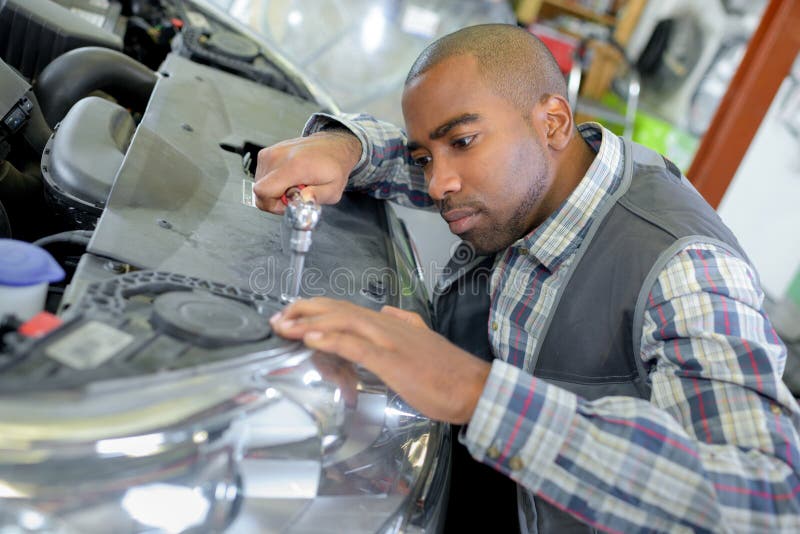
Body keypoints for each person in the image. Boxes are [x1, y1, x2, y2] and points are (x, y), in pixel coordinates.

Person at [254, 23, 800, 532]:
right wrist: (347, 148)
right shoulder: (535, 176)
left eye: (462, 142)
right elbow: (427, 156)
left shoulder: (686, 271)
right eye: (425, 157)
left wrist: (469, 390)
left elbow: (769, 502)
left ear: (552, 123)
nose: (439, 182)